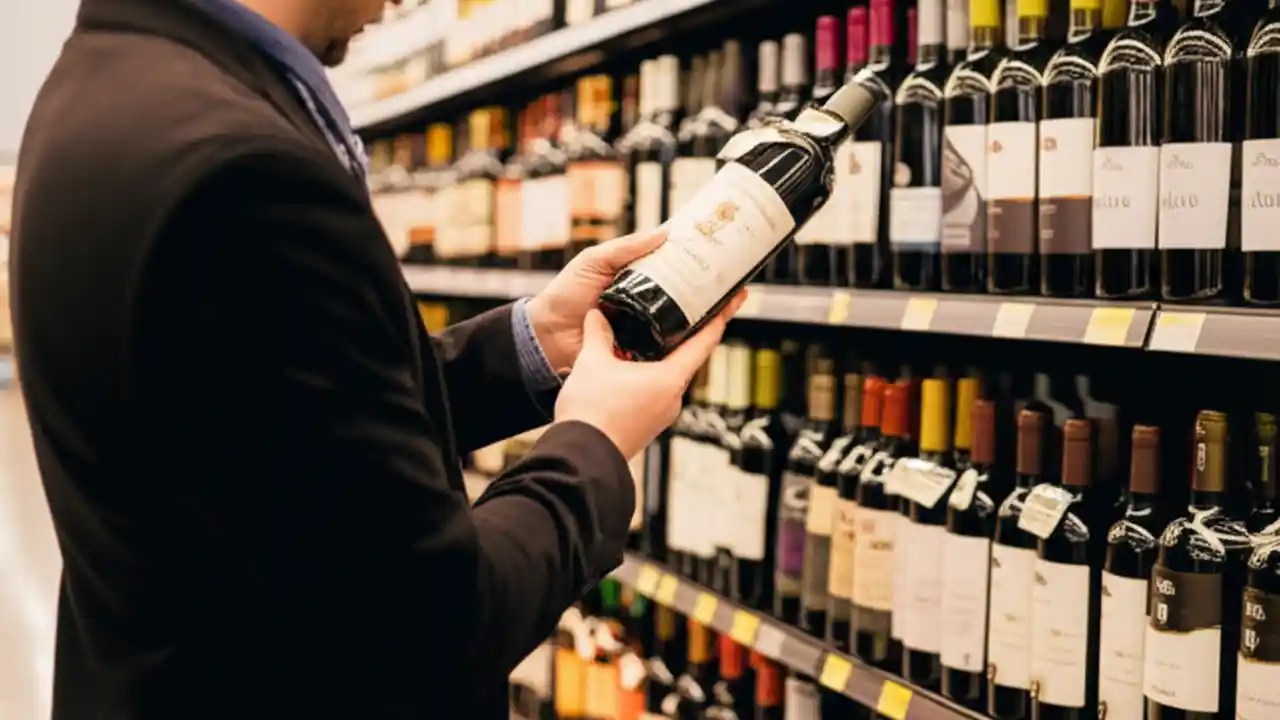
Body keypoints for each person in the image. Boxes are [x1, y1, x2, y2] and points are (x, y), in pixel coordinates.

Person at [9, 0, 742, 717]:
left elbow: (280, 435)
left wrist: (533, 341)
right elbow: (432, 629)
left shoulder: (114, 80)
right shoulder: (240, 169)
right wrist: (597, 445)